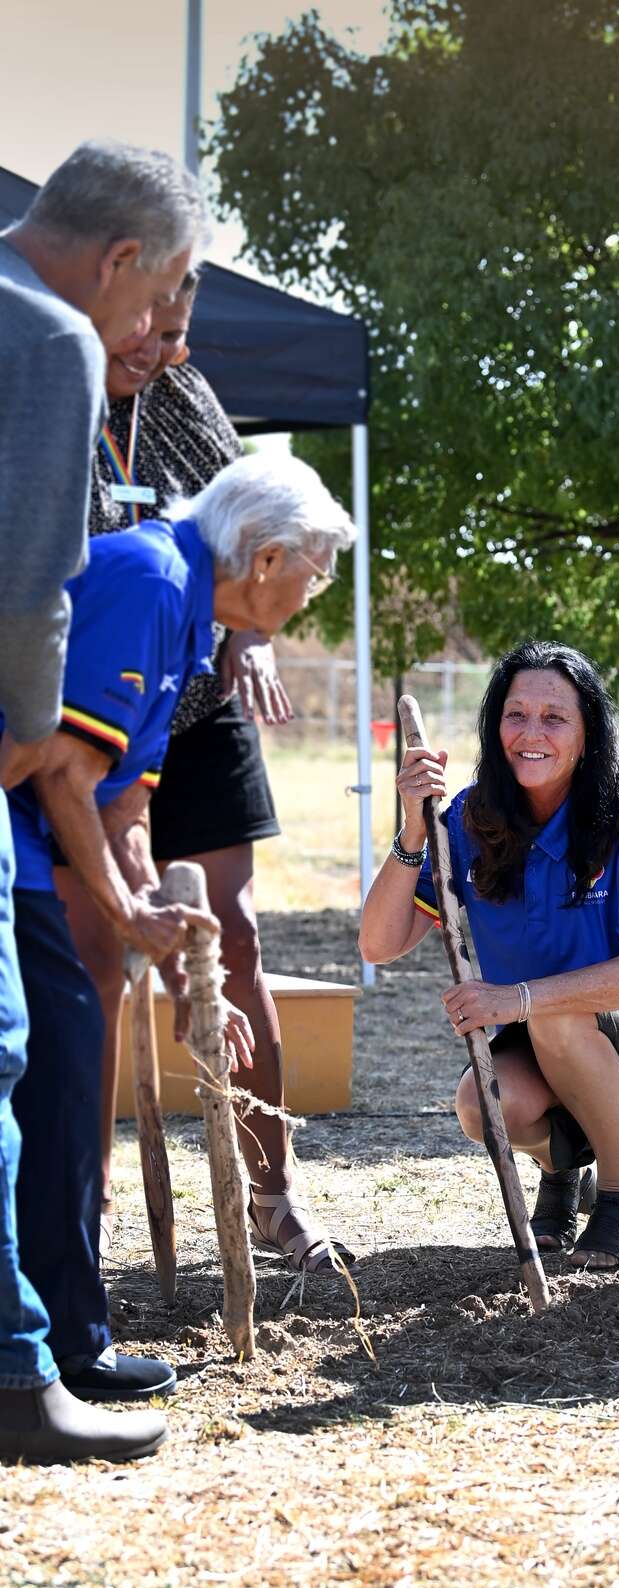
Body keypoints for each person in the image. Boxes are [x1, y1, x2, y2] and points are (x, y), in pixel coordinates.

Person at [3, 453, 355, 1425]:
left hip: (32, 845)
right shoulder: (152, 581)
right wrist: (128, 917)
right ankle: (57, 1347)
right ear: (267, 557)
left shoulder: (191, 616)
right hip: (18, 841)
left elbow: (126, 804)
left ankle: (68, 1340)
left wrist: (174, 952)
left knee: (64, 1068)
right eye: (317, 568)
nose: (317, 589)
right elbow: (64, 775)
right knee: (59, 1069)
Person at [56, 272, 333, 1274]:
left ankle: (272, 1189)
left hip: (188, 689)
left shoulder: (182, 395)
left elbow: (255, 536)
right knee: (89, 953)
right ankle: (76, 1212)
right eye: (150, 328)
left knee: (231, 936)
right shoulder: (42, 379)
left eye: (177, 333)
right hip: (85, 692)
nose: (162, 350)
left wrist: (248, 639)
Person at [0, 138, 207, 1463]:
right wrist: (24, 736)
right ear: (120, 257)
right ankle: (18, 1377)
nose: (149, 330)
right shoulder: (48, 339)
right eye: (155, 294)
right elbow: (30, 586)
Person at [359, 642, 619, 1270]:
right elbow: (378, 943)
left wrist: (514, 1000)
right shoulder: (470, 819)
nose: (532, 733)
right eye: (516, 715)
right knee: (482, 1104)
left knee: (554, 1014)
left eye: (554, 717)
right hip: (548, 1041)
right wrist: (415, 830)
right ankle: (560, 1174)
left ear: (588, 735)